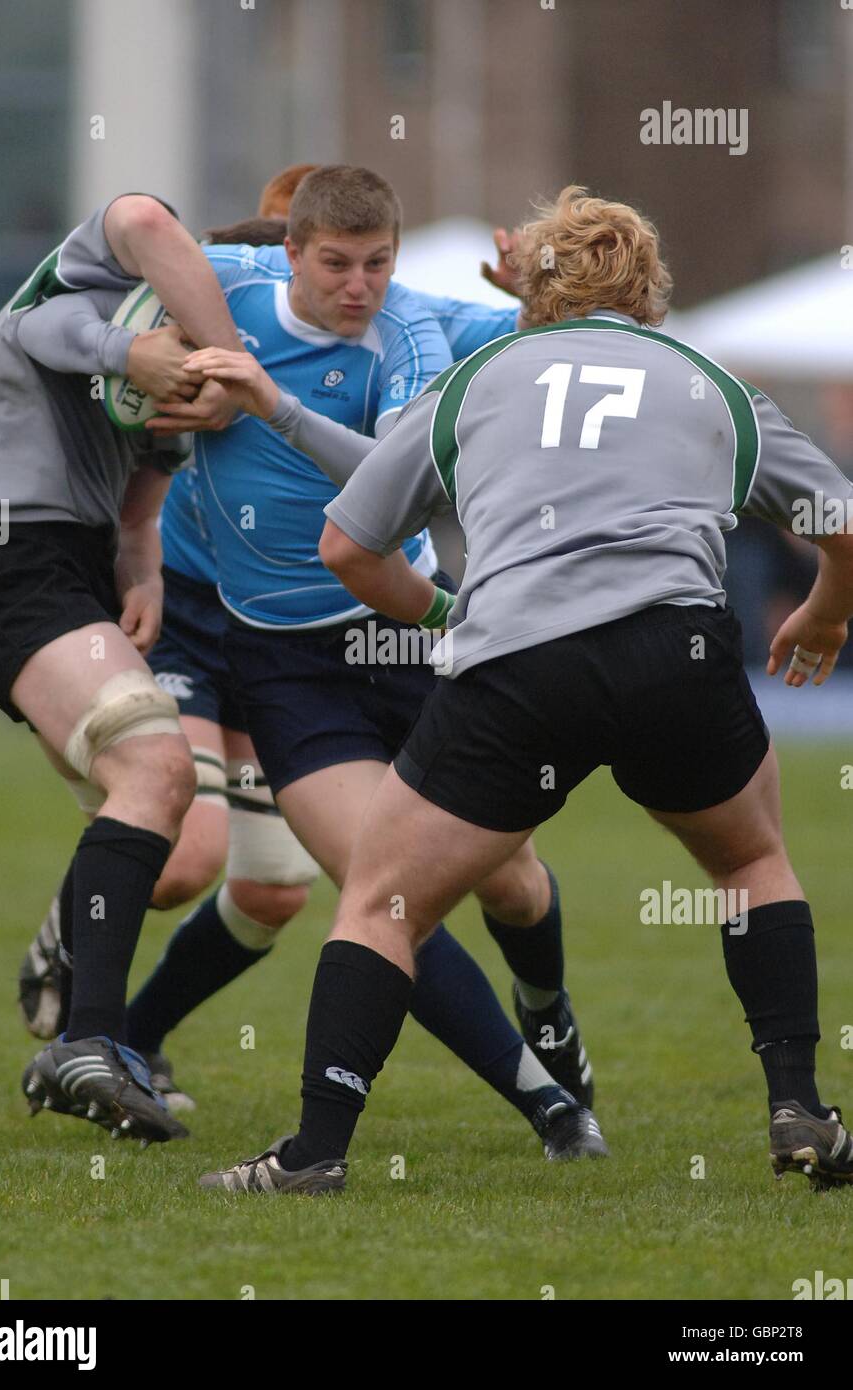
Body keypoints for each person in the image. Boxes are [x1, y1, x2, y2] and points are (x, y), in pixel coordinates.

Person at [196, 184, 853, 1195]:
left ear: (533, 288)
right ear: (649, 288)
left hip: (517, 663)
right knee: (752, 861)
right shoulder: (707, 380)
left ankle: (314, 1154)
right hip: (673, 652)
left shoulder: (480, 377)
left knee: (379, 903)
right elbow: (839, 518)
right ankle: (797, 1106)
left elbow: (347, 547)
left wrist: (443, 613)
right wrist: (823, 614)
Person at [133, 165, 603, 1158]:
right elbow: (115, 265)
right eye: (336, 264)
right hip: (284, 662)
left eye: (377, 263)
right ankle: (551, 1107)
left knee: (513, 883)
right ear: (289, 252)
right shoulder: (225, 286)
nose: (359, 286)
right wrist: (137, 360)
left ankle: (547, 1007)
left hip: (409, 633)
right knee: (381, 892)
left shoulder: (413, 328)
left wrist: (543, 288)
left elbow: (397, 480)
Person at [0, 192, 248, 1143]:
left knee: (170, 846)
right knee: (158, 767)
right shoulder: (66, 295)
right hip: (3, 551)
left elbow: (142, 495)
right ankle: (94, 1043)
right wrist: (217, 360)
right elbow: (142, 223)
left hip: (77, 564)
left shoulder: (165, 354)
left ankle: (68, 967)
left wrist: (143, 571)